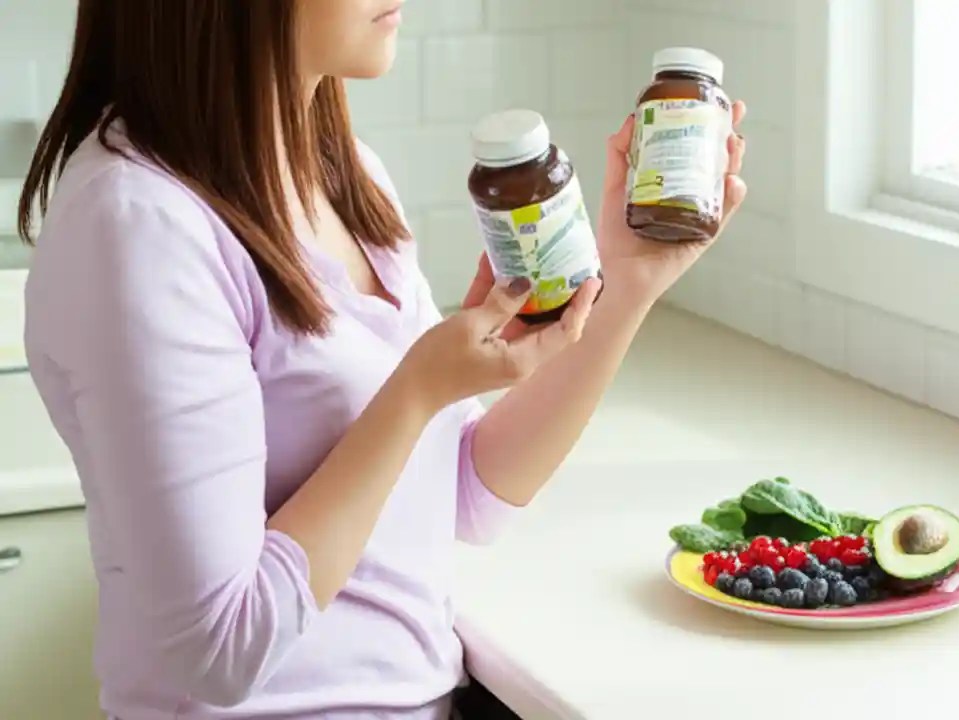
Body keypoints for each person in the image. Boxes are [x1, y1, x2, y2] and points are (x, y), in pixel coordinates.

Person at [15, 1, 747, 718]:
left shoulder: (342, 177)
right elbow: (220, 650)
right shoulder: (140, 225)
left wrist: (629, 280)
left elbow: (466, 491)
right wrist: (416, 391)